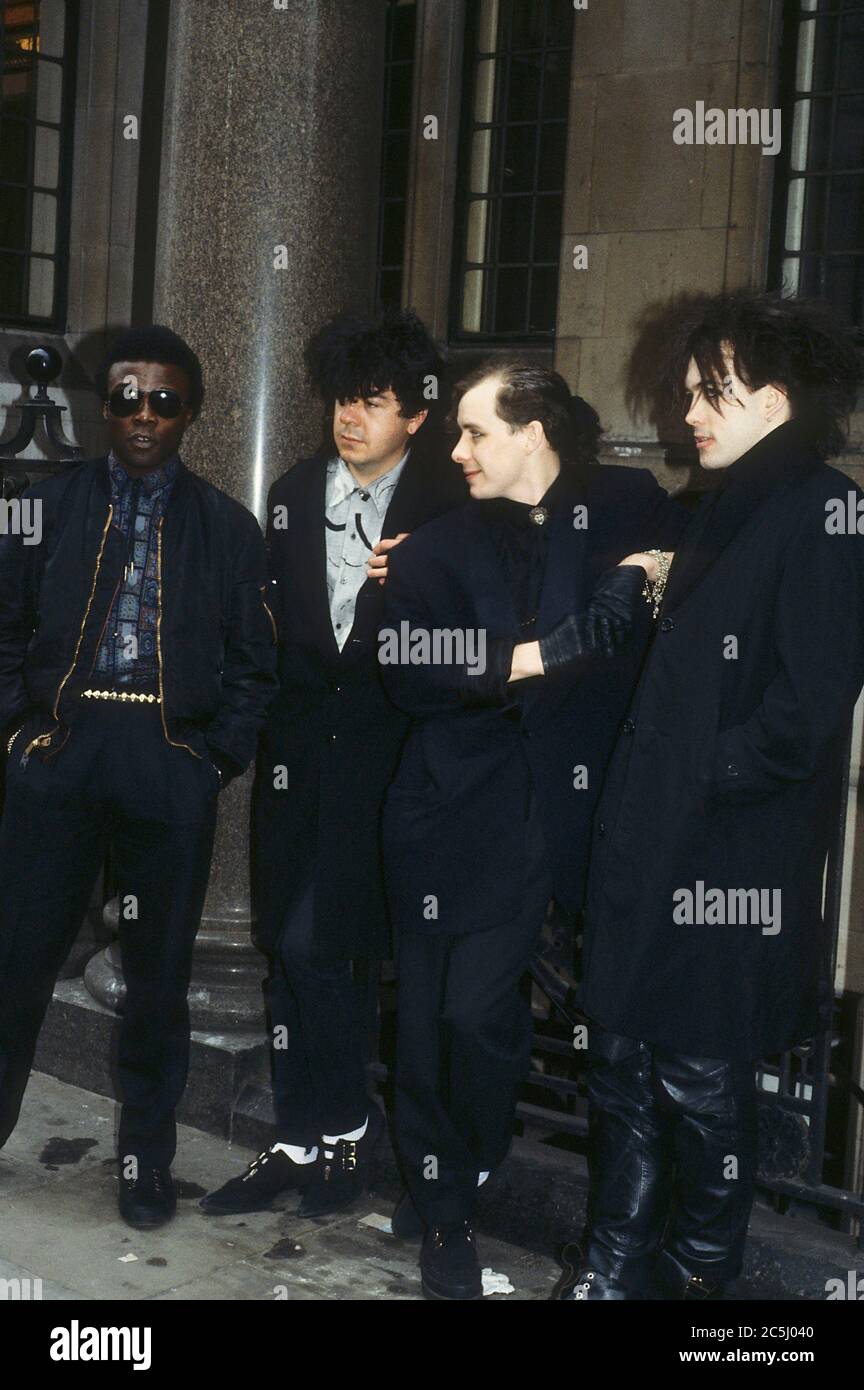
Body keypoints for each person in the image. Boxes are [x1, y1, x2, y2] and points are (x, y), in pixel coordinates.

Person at [560, 291, 864, 1301]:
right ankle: (614, 1266)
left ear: (775, 401)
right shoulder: (724, 503)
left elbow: (808, 706)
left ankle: (697, 1286)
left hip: (730, 858)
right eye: (691, 389)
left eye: (710, 393)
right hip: (658, 841)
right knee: (627, 1063)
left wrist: (699, 777)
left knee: (698, 1078)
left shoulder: (820, 507)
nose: (688, 410)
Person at [379, 359, 686, 1299]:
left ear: (534, 431)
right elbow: (405, 663)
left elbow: (708, 567)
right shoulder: (431, 546)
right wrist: (541, 653)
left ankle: (477, 1168)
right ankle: (448, 1202)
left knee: (525, 1016)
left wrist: (651, 579)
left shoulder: (634, 505)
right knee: (444, 1019)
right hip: (451, 813)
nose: (458, 450)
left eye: (475, 432)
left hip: (581, 813)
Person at [0, 325, 277, 1228]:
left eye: (163, 400)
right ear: (102, 406)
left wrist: (207, 763)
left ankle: (145, 1163)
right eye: (126, 397)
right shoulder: (44, 505)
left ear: (189, 411)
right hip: (62, 754)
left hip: (166, 764)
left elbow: (254, 668)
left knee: (157, 982)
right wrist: (19, 736)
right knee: (16, 960)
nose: (143, 415)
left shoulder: (228, 528)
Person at [201, 310, 466, 1220]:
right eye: (341, 400)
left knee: (333, 948)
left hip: (398, 761)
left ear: (418, 415)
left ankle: (340, 1132)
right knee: (291, 949)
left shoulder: (450, 501)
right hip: (298, 760)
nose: (349, 417)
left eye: (374, 402)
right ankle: (305, 1138)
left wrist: (420, 588)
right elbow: (264, 626)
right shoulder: (293, 489)